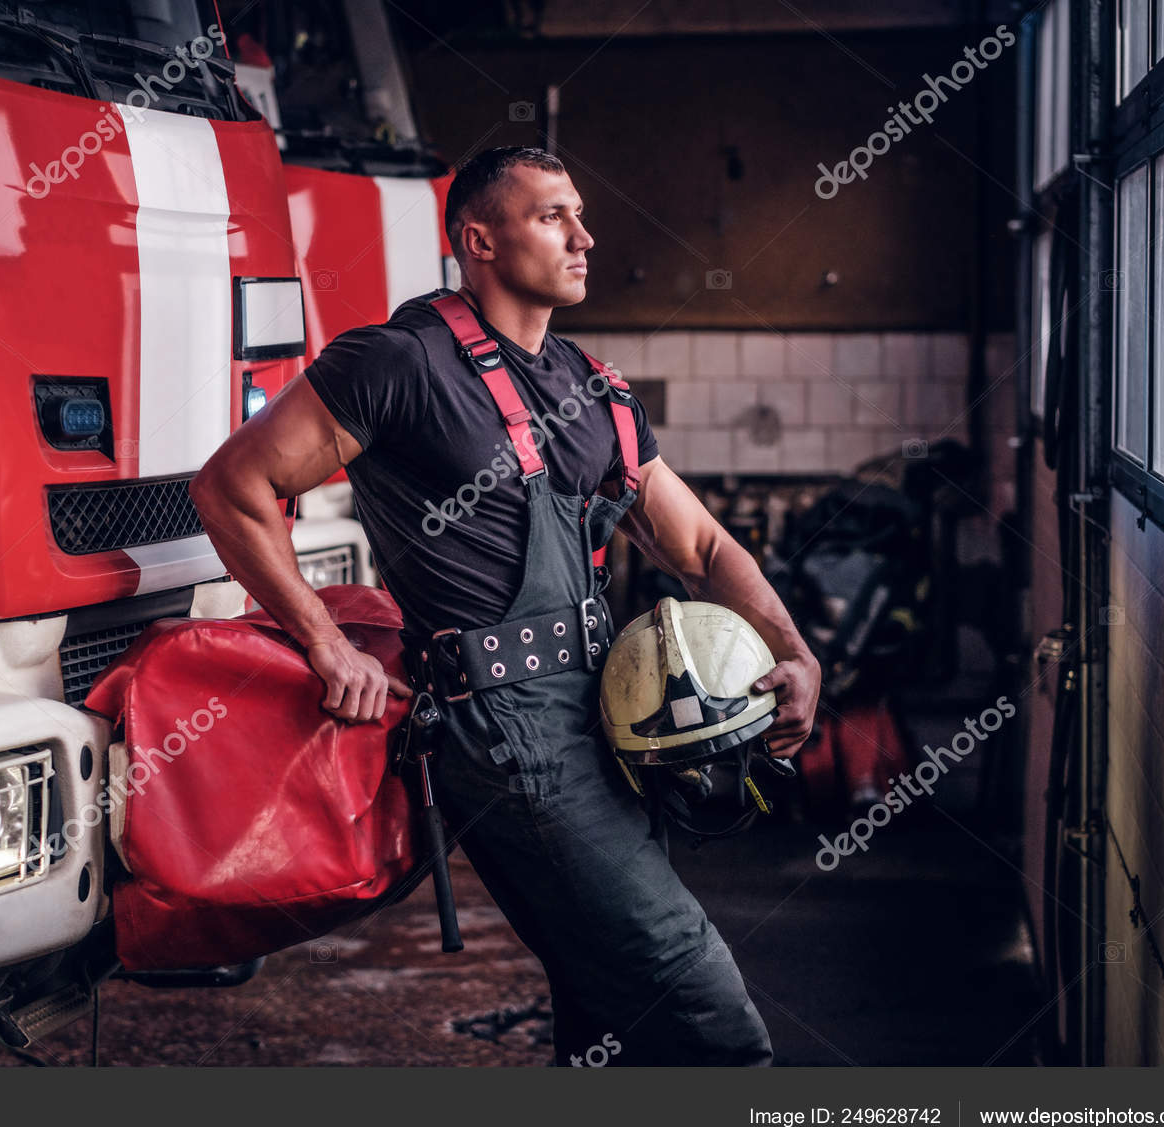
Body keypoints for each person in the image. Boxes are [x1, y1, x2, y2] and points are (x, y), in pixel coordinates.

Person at [189, 145, 819, 1066]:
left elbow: (704, 547)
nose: (584, 236)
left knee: (611, 1018)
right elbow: (230, 487)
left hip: (609, 722)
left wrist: (792, 652)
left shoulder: (594, 390)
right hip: (510, 739)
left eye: (581, 214)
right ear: (478, 239)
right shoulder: (397, 364)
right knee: (708, 1020)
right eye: (553, 216)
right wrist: (327, 644)